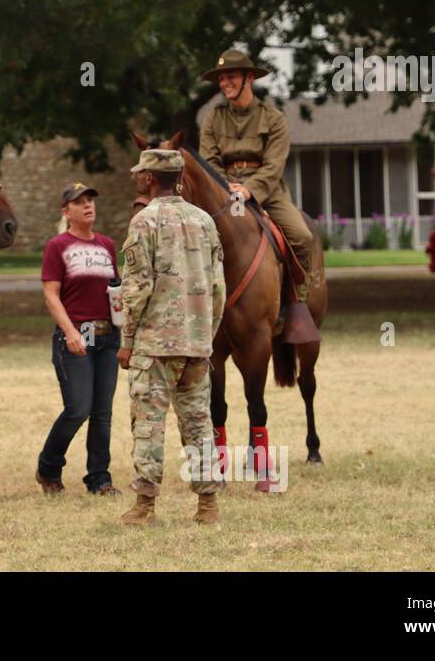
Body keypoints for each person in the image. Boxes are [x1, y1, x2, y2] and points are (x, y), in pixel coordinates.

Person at [118, 149, 226, 526]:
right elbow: (217, 287)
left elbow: (137, 287)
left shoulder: (143, 222)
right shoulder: (205, 221)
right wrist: (206, 335)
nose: (136, 179)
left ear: (150, 178)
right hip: (196, 342)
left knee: (148, 424)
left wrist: (127, 340)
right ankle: (208, 506)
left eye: (140, 174)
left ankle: (144, 506)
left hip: (155, 344)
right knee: (199, 423)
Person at [199, 48, 313, 301]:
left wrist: (250, 190)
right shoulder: (212, 120)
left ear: (249, 78)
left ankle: (296, 299)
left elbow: (274, 165)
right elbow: (209, 162)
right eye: (221, 78)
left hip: (266, 191)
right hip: (223, 192)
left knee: (301, 236)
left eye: (231, 76)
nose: (225, 82)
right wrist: (224, 187)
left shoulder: (273, 118)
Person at [35, 182, 122, 497]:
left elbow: (115, 291)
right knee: (78, 409)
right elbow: (51, 295)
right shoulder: (58, 246)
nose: (88, 206)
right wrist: (70, 331)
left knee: (102, 413)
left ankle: (99, 478)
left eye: (90, 201)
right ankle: (48, 467)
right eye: (79, 202)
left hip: (108, 338)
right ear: (66, 211)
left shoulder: (107, 246)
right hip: (74, 339)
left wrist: (124, 331)